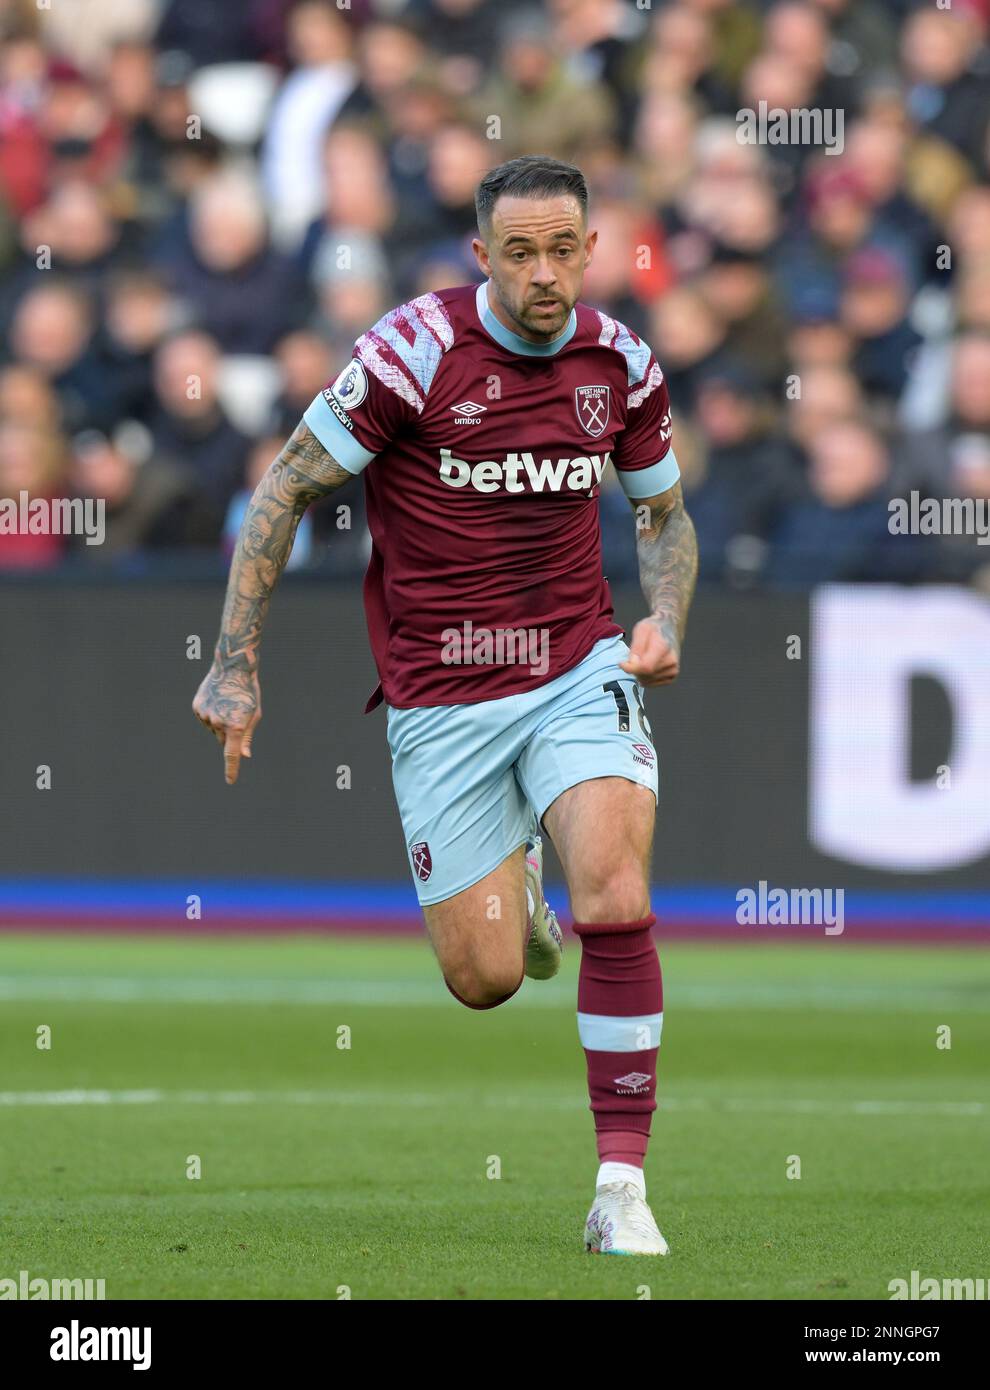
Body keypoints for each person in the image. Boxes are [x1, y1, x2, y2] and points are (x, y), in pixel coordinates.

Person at [192, 155, 697, 1256]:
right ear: (482, 256)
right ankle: (518, 889)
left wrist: (663, 617)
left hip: (578, 666)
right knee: (486, 979)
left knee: (616, 889)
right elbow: (286, 486)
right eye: (519, 252)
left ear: (590, 250)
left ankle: (620, 1188)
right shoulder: (411, 355)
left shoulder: (621, 363)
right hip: (441, 692)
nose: (543, 273)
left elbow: (663, 517)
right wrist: (234, 663)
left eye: (561, 250)